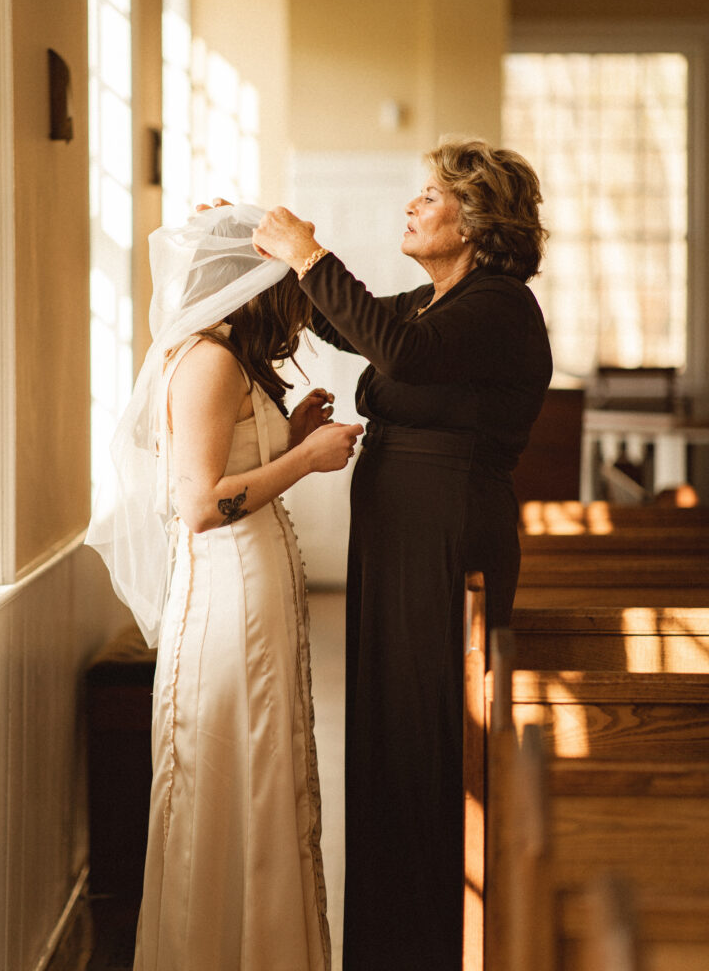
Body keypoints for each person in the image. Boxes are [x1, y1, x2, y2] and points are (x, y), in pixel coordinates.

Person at [252, 139, 553, 971]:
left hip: (447, 537)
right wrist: (254, 241)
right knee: (389, 736)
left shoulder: (497, 306)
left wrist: (311, 251)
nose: (413, 206)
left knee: (428, 741)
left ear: (479, 222)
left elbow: (401, 356)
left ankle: (430, 946)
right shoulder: (433, 300)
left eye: (432, 195)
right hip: (400, 537)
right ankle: (389, 945)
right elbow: (343, 320)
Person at [86, 203, 363, 971]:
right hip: (228, 597)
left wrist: (294, 432)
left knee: (261, 777)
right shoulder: (207, 360)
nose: (300, 316)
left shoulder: (230, 359)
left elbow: (235, 461)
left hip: (255, 592)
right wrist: (306, 460)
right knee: (229, 778)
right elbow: (202, 504)